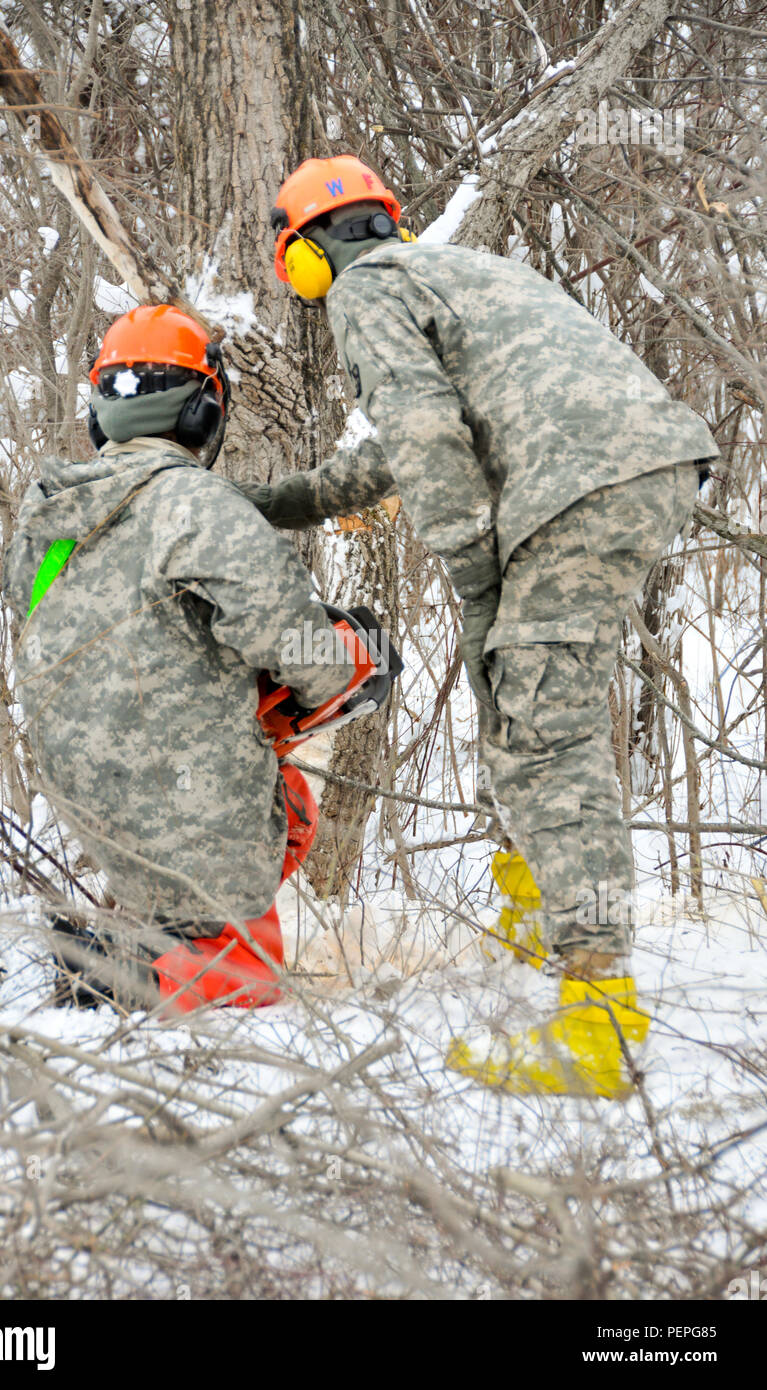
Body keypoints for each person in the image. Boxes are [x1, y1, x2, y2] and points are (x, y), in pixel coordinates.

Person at [241, 154, 720, 1095]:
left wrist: (467, 565)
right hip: (632, 471)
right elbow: (390, 451)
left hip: (573, 492)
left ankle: (598, 1028)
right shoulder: (464, 272)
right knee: (520, 697)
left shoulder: (365, 290)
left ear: (304, 254)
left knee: (547, 733)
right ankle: (537, 929)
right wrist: (266, 504)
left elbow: (423, 439)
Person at [3, 304, 377, 1014]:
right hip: (193, 803)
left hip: (85, 804)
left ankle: (137, 933)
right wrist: (334, 669)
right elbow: (294, 644)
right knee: (347, 667)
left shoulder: (45, 516)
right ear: (204, 408)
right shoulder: (196, 505)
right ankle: (167, 968)